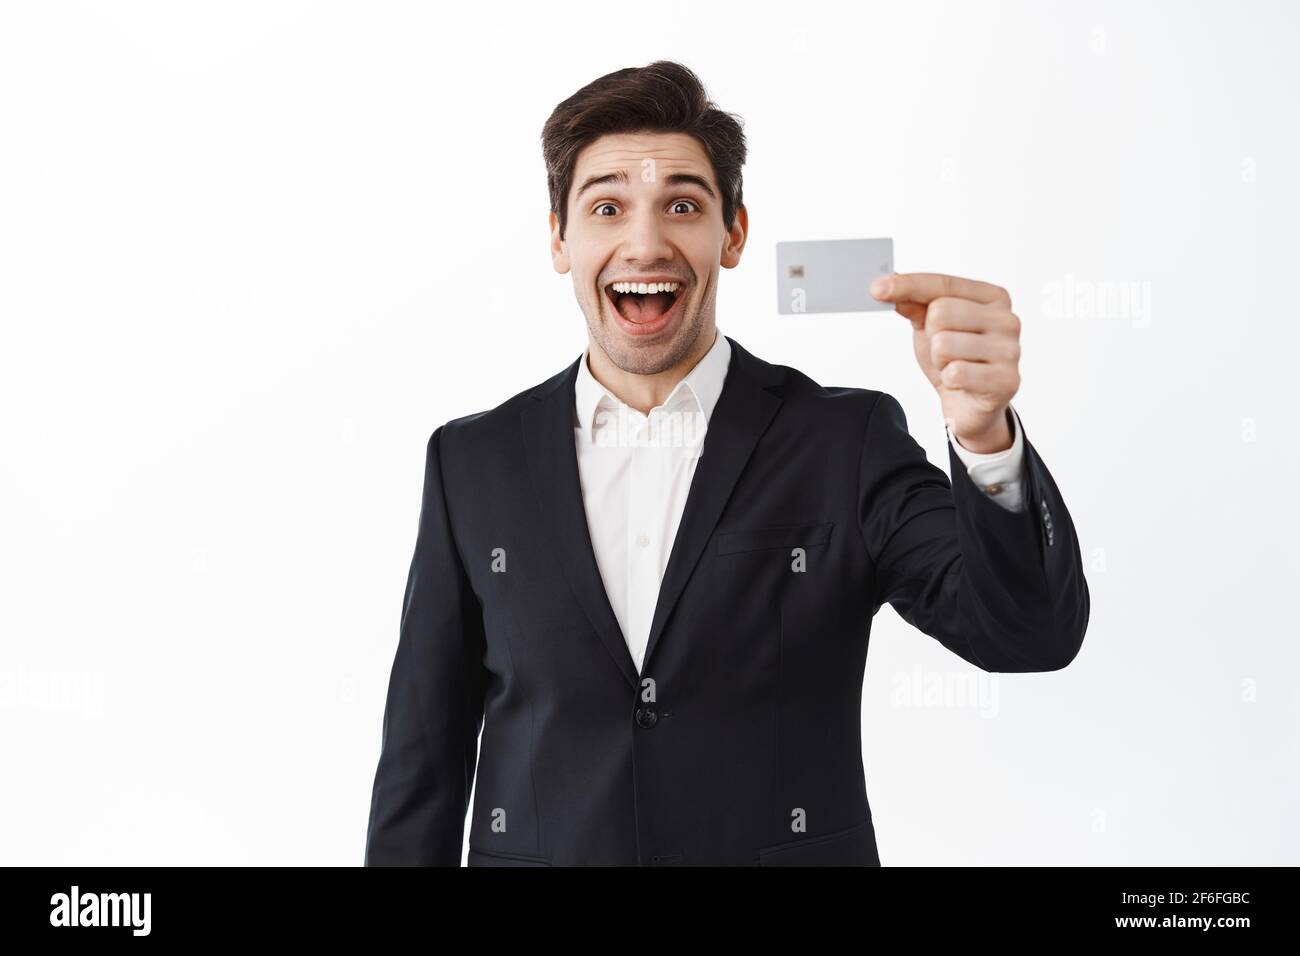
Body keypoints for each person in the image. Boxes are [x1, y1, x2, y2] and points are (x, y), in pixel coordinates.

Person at [364, 60, 1089, 867]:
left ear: (733, 233)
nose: (645, 241)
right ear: (559, 239)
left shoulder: (843, 440)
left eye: (683, 204)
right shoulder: (472, 461)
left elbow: (1026, 635)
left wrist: (984, 436)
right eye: (607, 206)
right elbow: (423, 760)